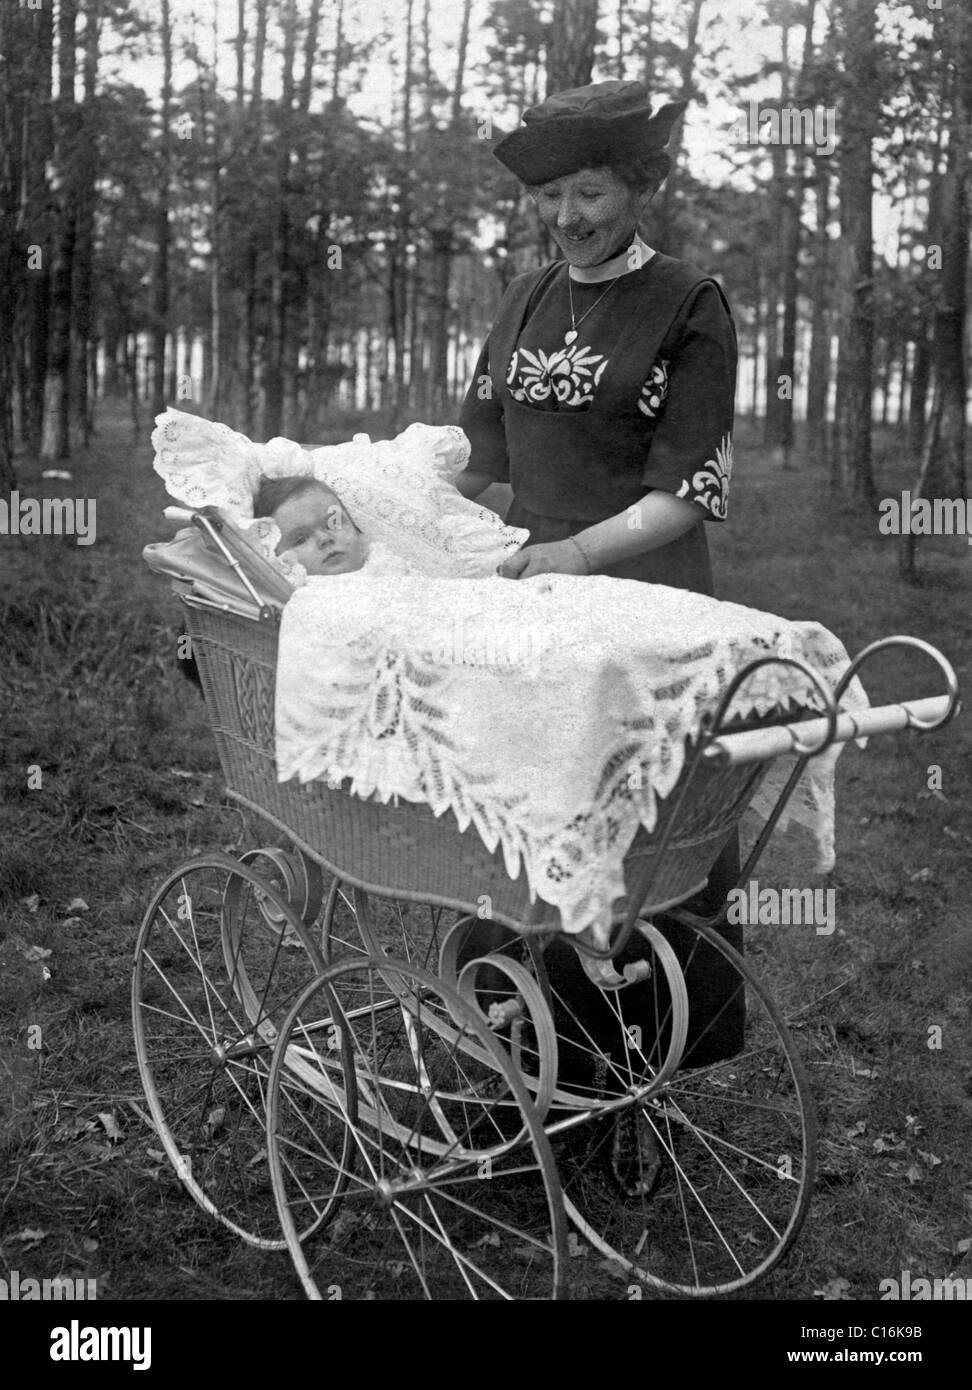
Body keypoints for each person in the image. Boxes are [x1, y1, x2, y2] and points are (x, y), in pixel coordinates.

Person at [451, 78, 741, 1196]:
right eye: (551, 196)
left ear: (637, 187)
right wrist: (377, 514)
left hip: (645, 612)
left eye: (590, 190)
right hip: (531, 615)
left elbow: (689, 491)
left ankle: (644, 1095)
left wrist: (571, 556)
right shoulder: (522, 302)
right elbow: (479, 465)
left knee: (644, 858)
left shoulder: (689, 304)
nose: (567, 216)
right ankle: (527, 1083)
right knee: (523, 841)